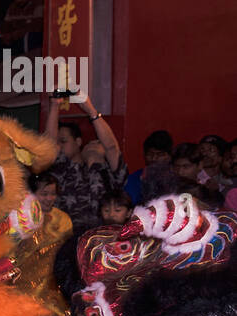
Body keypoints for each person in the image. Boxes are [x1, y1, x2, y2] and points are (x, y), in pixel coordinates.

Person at [44, 96, 125, 235]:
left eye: (63, 141)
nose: (59, 146)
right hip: (65, 241)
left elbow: (111, 147)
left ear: (79, 142)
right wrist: (54, 105)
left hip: (100, 240)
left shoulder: (105, 172)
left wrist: (89, 108)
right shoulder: (62, 169)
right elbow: (49, 146)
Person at [126, 129, 173, 204]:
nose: (154, 158)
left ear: (169, 156)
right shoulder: (133, 179)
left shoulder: (175, 179)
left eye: (159, 154)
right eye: (150, 154)